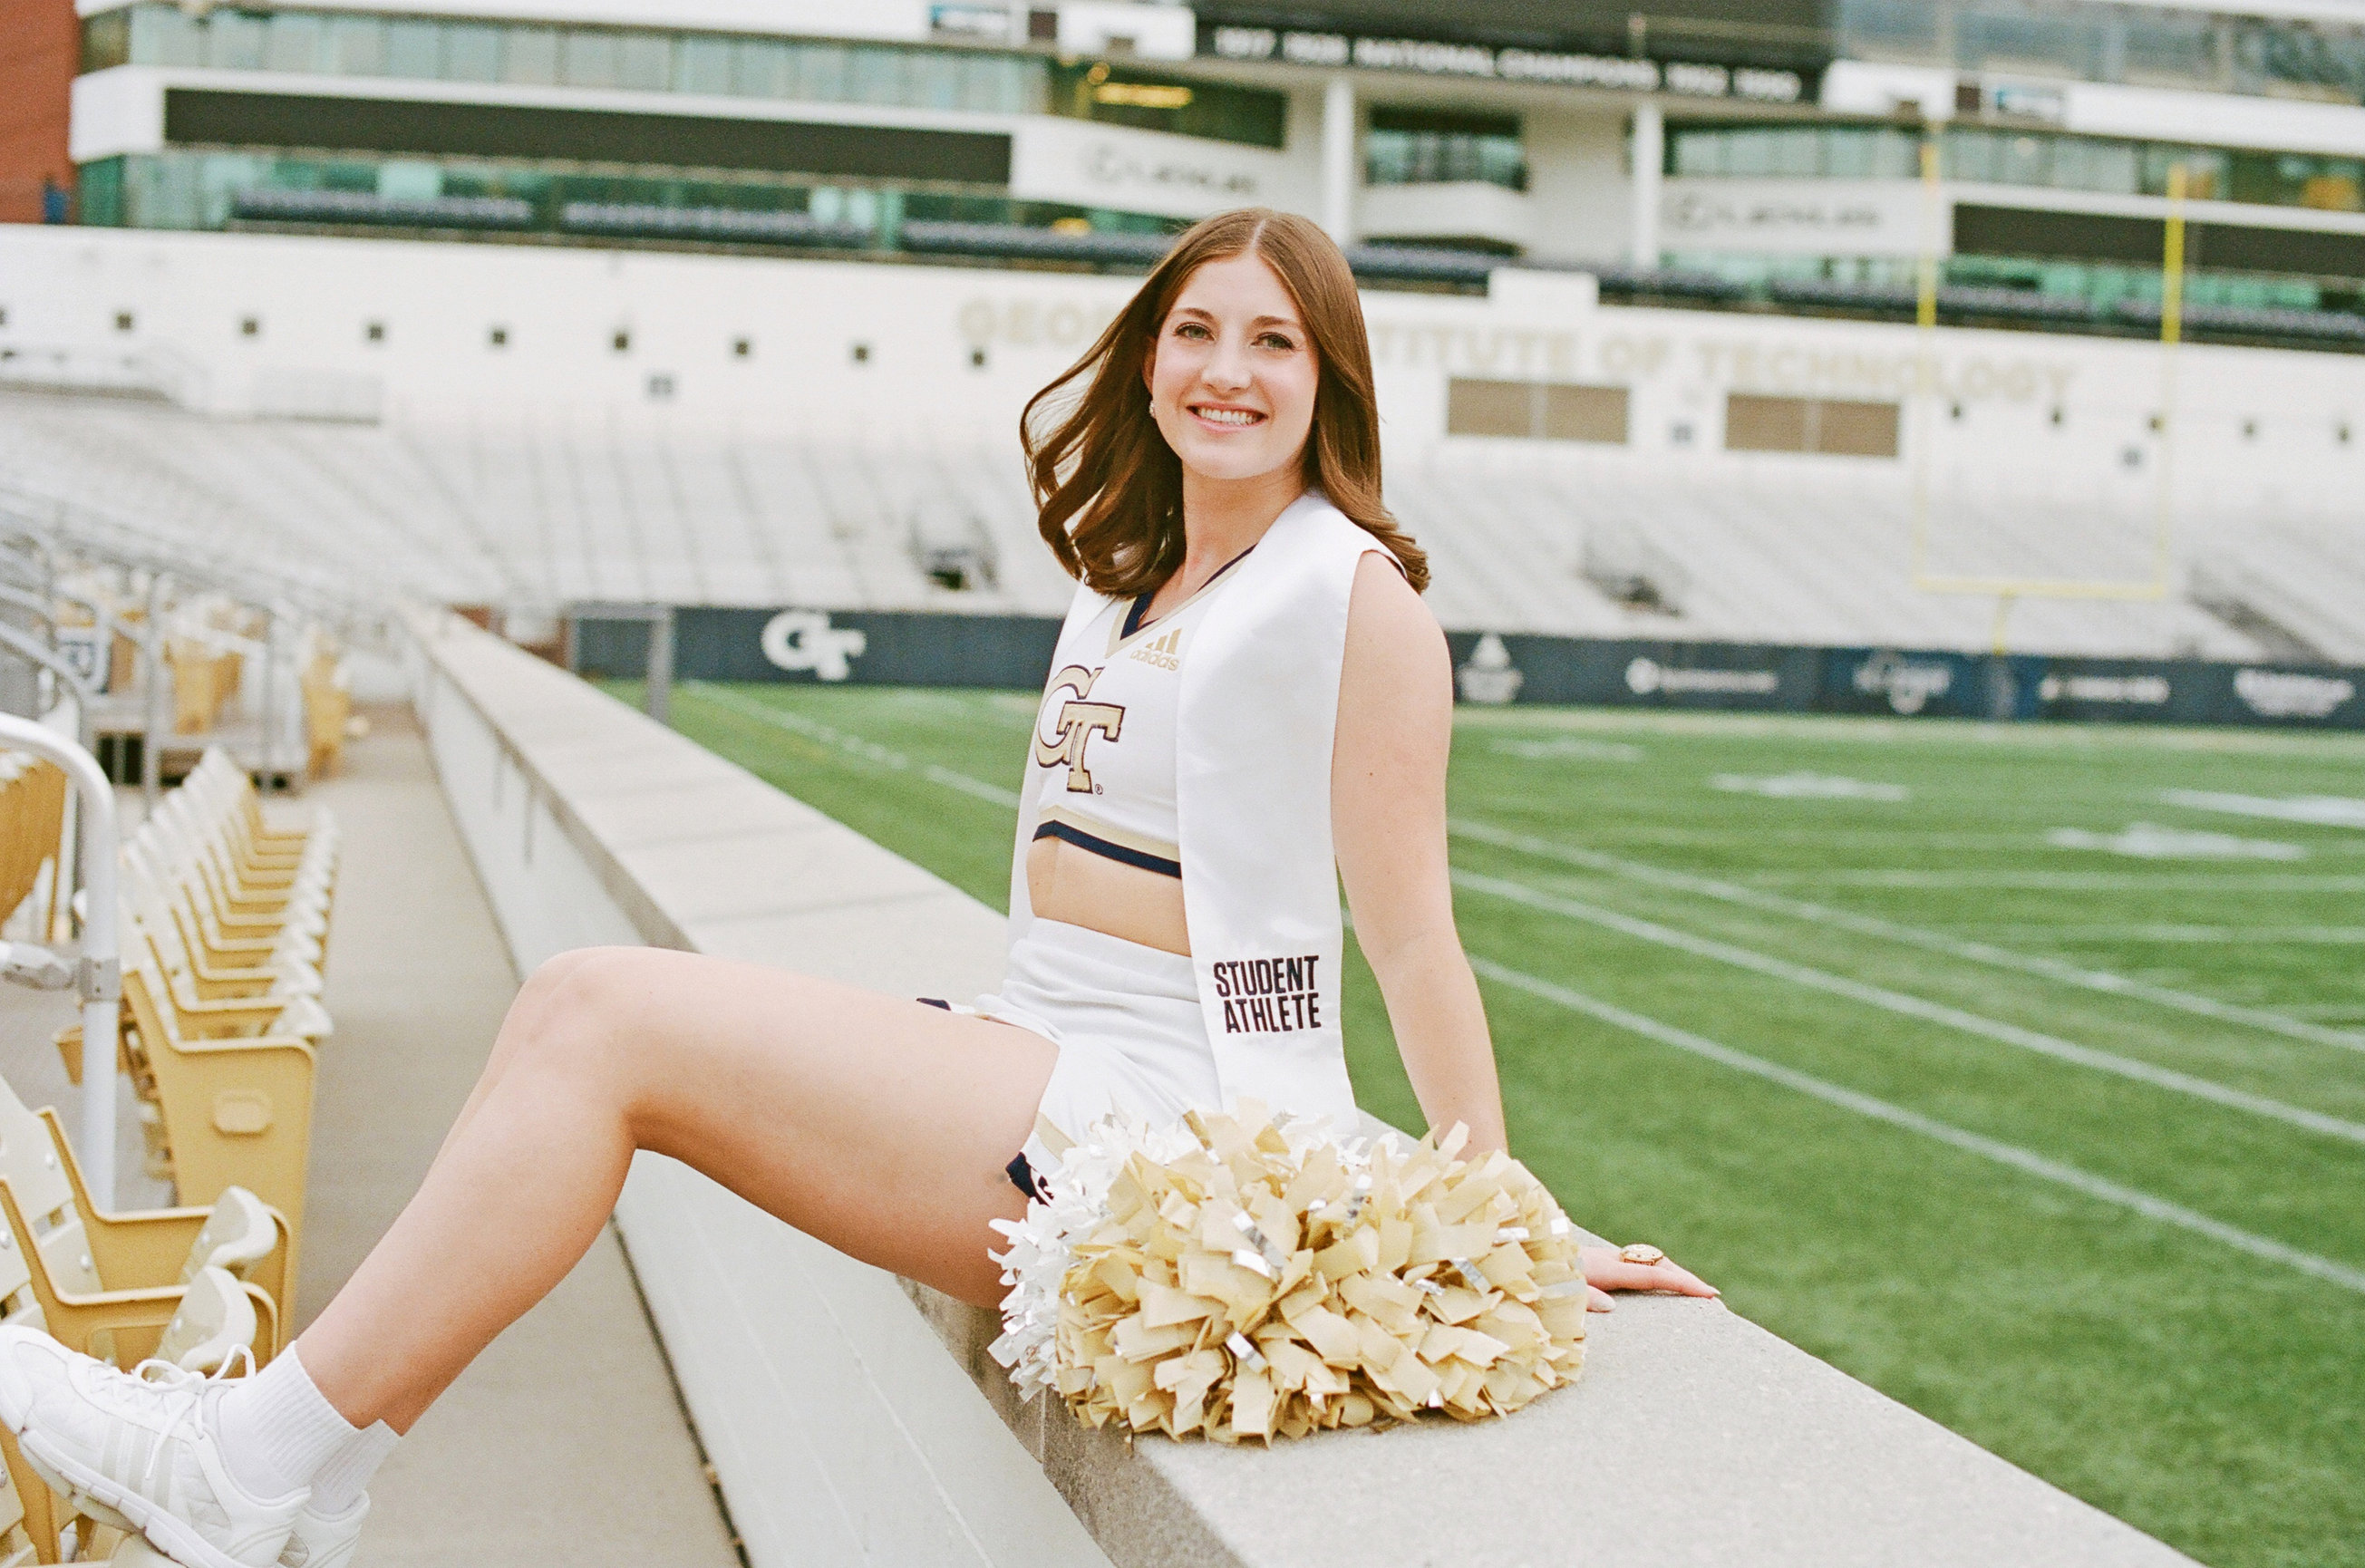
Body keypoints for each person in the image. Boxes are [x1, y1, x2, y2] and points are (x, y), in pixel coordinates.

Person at [0, 208, 1715, 1568]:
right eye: (1194, 330)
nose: (1226, 370)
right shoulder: (1127, 583)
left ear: (1326, 379)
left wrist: (1501, 1216)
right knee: (572, 1019)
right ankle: (306, 1476)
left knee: (601, 1012)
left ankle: (253, 1459)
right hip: (1046, 1051)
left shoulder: (1354, 595)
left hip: (1171, 1132)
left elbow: (1409, 929)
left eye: (1273, 341)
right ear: (1143, 362)